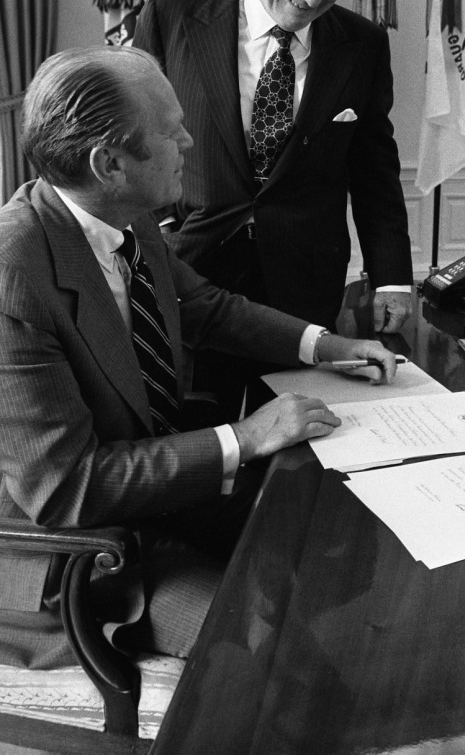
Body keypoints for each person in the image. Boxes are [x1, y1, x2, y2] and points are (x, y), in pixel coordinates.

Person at [0, 45, 398, 670]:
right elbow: (64, 489)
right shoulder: (13, 274)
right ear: (110, 163)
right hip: (81, 551)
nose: (189, 139)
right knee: (278, 642)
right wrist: (245, 437)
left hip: (155, 494)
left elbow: (206, 307)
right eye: (169, 129)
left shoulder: (124, 218)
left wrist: (328, 345)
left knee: (339, 537)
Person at [132, 0, 413, 344]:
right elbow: (137, 137)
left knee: (304, 415)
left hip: (305, 285)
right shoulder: (171, 16)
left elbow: (375, 173)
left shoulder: (361, 45)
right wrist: (159, 234)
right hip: (189, 273)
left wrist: (392, 279)